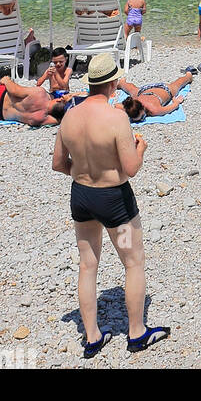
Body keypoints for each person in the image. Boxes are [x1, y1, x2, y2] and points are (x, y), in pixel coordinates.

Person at [52, 53, 167, 357]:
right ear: (113, 83)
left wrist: (82, 172)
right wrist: (140, 148)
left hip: (82, 198)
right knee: (133, 262)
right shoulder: (116, 117)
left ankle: (92, 337)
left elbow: (58, 163)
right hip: (115, 202)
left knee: (88, 265)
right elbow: (130, 168)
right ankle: (137, 332)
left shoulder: (70, 116)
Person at [0, 75, 72, 126]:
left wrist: (7, 80)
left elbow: (15, 91)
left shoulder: (40, 93)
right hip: (0, 114)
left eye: (61, 99)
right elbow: (59, 120)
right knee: (0, 105)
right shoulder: (41, 118)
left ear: (57, 101)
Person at [114, 72, 193, 119]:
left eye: (142, 117)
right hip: (144, 91)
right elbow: (117, 106)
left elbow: (174, 106)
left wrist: (177, 101)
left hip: (164, 89)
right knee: (133, 90)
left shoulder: (155, 110)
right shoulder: (132, 104)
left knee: (177, 85)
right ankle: (122, 83)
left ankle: (188, 77)